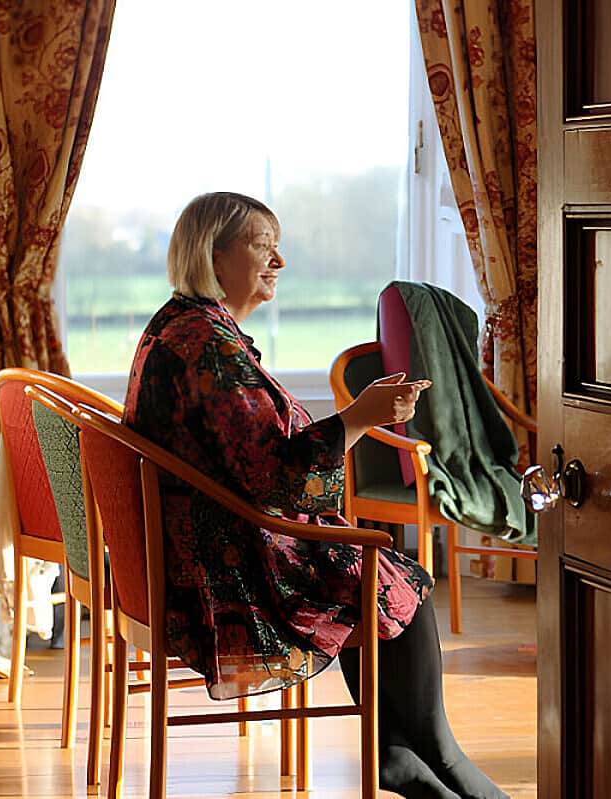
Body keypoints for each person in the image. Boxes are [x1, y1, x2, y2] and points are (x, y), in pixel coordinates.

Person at [123, 192, 509, 799]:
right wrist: (359, 417)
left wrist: (358, 415)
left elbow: (252, 454)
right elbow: (278, 478)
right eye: (261, 245)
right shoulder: (208, 346)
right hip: (227, 573)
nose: (279, 260)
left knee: (369, 568)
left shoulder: (183, 326)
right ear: (213, 256)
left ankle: (402, 752)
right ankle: (428, 753)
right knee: (390, 576)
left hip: (206, 546)